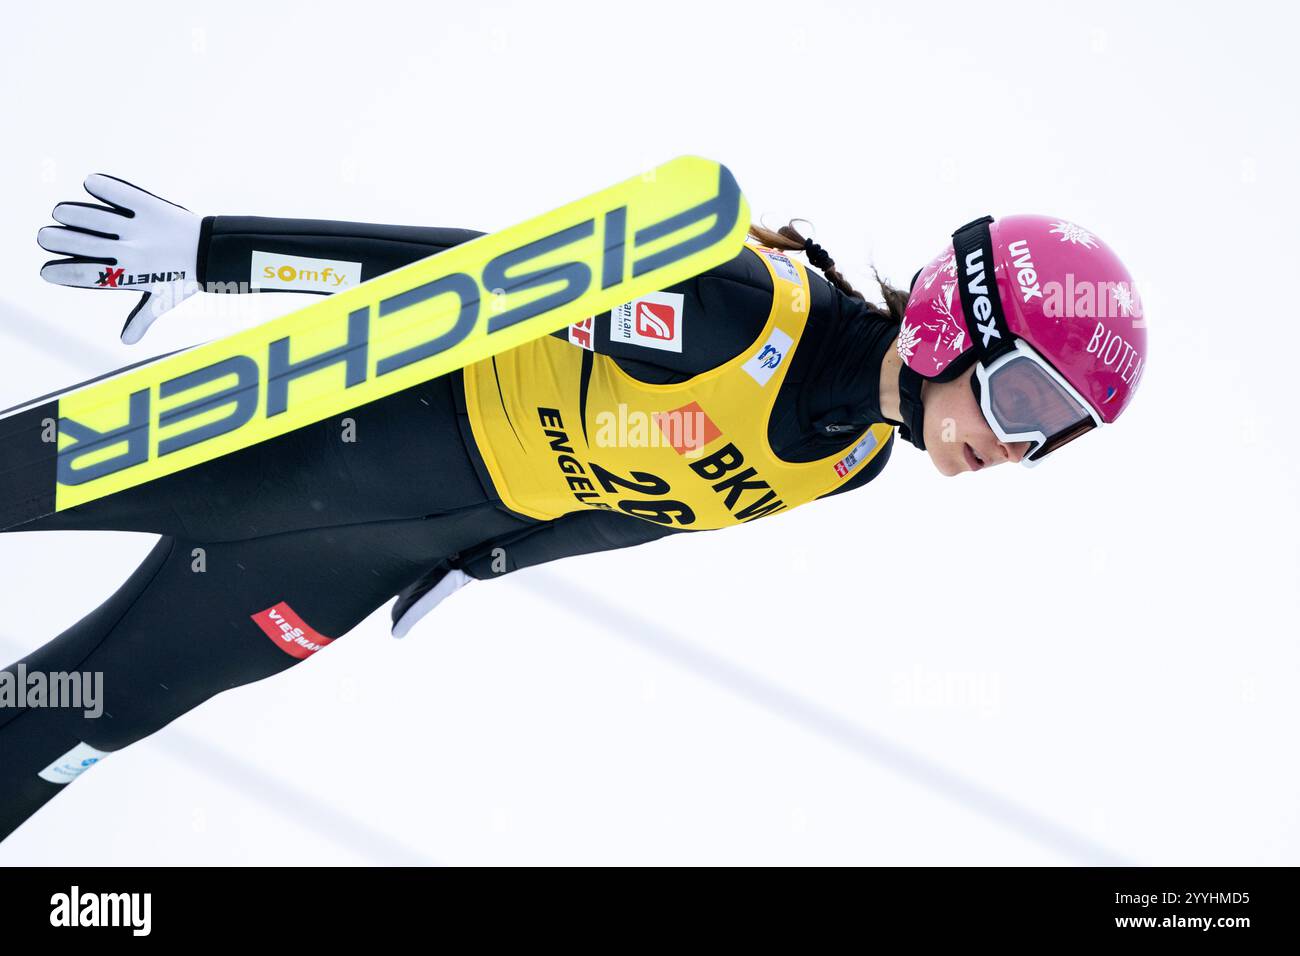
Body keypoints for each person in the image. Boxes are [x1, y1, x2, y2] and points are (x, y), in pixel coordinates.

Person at [0, 174, 1147, 841]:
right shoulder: (735, 312)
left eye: (1052, 433)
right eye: (1027, 393)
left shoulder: (849, 462)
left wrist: (487, 562)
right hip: (296, 441)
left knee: (59, 724)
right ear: (961, 320)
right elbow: (464, 279)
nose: (1015, 442)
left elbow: (651, 504)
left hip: (346, 565)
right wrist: (211, 253)